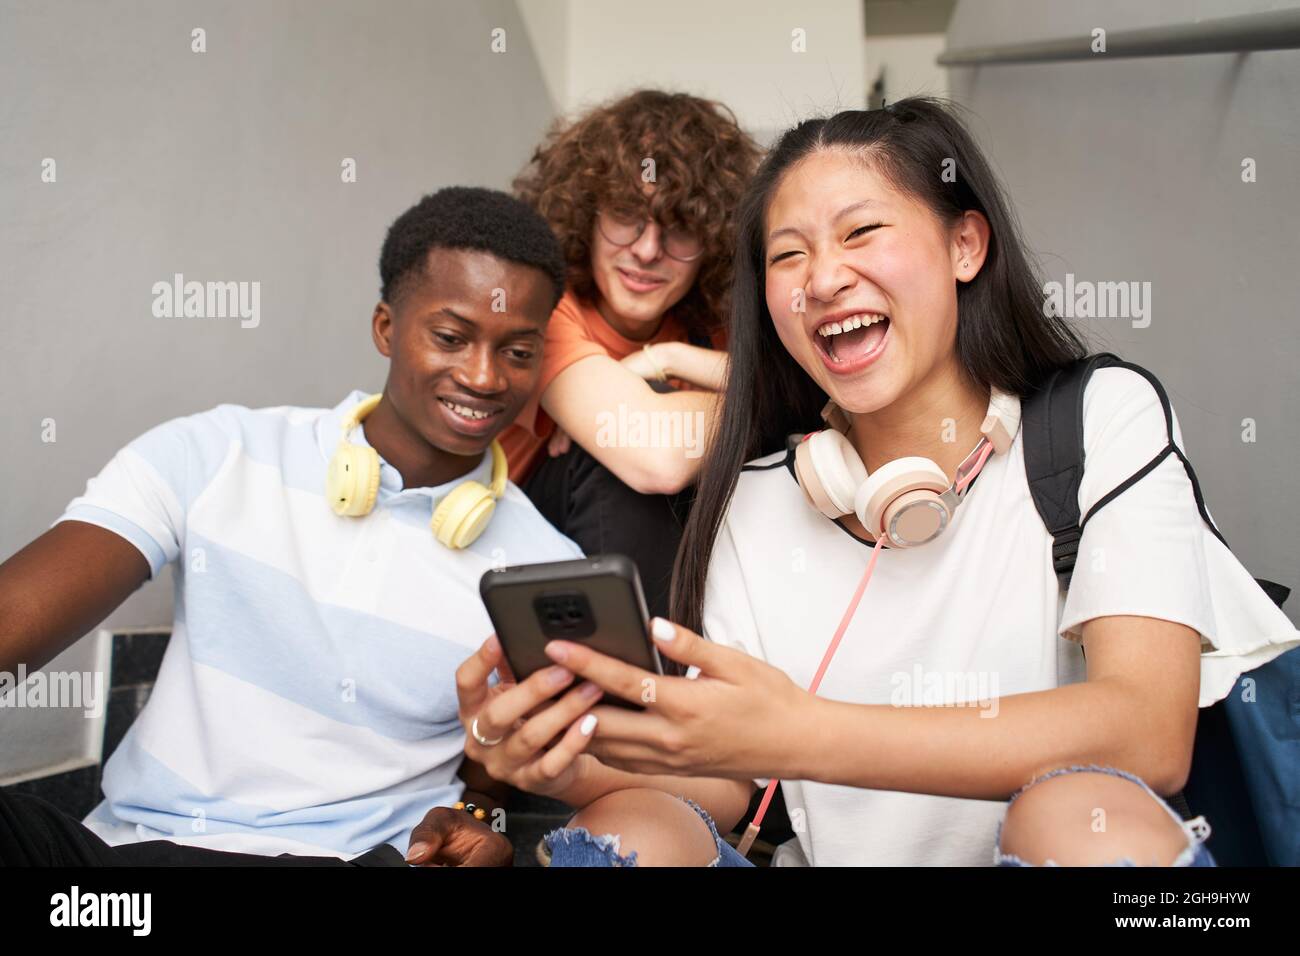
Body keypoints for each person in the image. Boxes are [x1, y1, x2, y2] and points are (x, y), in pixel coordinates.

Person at [454, 98, 1300, 867]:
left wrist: (807, 732)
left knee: (1076, 814)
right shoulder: (755, 497)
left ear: (965, 245)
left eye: (861, 233)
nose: (823, 278)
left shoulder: (1099, 418)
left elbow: (1148, 733)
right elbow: (736, 783)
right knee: (627, 829)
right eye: (789, 255)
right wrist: (566, 758)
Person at [0, 186, 581, 866]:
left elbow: (493, 771)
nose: (484, 377)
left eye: (518, 351)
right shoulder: (217, 451)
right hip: (131, 866)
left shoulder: (546, 567)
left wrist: (478, 819)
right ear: (386, 327)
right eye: (451, 338)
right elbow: (15, 613)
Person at [498, 89, 761, 617]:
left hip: (671, 567)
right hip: (520, 548)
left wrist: (670, 359)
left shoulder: (709, 331)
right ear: (586, 214)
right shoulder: (544, 308)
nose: (646, 250)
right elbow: (655, 457)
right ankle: (637, 688)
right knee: (632, 444)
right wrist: (761, 403)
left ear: (713, 241)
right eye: (625, 215)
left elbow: (817, 399)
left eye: (680, 228)